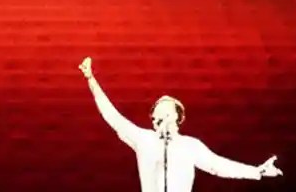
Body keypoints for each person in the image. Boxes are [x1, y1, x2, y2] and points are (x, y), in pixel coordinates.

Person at [79, 57, 282, 192]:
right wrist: (91, 79)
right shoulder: (143, 138)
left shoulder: (190, 145)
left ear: (177, 117)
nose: (164, 109)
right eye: (160, 107)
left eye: (168, 108)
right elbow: (112, 116)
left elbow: (218, 166)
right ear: (153, 117)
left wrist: (257, 172)